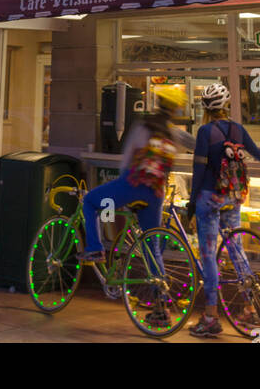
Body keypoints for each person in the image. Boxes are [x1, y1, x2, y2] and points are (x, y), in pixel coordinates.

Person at [186, 82, 260, 338]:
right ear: (227, 105)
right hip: (233, 197)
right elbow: (259, 155)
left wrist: (192, 203)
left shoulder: (205, 131)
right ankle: (249, 310)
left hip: (209, 199)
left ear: (205, 107)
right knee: (236, 249)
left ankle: (211, 316)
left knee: (209, 255)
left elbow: (199, 169)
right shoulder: (237, 128)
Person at [81, 83, 194, 263]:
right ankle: (159, 286)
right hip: (156, 192)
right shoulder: (173, 133)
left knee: (89, 201)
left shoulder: (143, 125)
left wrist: (122, 185)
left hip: (132, 185)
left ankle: (95, 249)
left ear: (158, 103)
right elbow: (194, 145)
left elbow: (127, 158)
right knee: (152, 246)